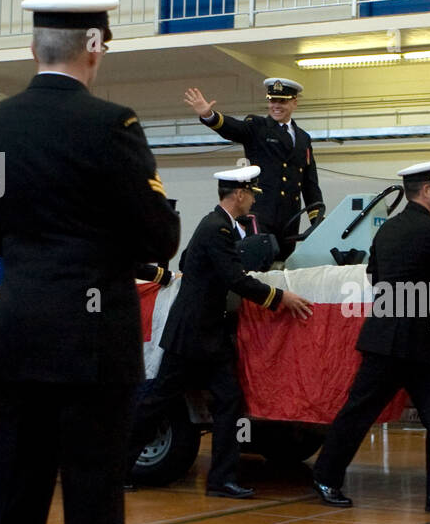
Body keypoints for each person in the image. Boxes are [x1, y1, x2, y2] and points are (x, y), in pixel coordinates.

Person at [0, 0, 182, 524]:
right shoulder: (112, 123)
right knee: (92, 504)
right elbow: (157, 235)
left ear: (36, 49)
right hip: (93, 340)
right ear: (96, 46)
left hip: (22, 329)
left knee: (12, 500)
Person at [125, 166, 312, 497]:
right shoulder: (217, 229)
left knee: (228, 401)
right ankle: (116, 467)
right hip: (192, 335)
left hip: (209, 336)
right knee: (157, 402)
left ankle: (221, 479)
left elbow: (187, 261)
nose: (253, 200)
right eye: (251, 193)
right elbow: (234, 278)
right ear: (239, 195)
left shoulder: (223, 227)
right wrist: (281, 297)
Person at [312, 160, 430, 515]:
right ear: (427, 190)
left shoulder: (386, 229)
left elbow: (375, 275)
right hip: (414, 338)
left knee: (362, 410)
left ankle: (328, 476)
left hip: (388, 334)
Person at [184, 78, 323, 260]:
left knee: (282, 265)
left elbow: (309, 183)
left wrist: (317, 221)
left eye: (282, 101)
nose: (276, 106)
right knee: (259, 263)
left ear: (294, 102)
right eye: (272, 100)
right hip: (262, 214)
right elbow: (234, 128)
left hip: (289, 218)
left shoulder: (303, 138)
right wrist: (209, 115)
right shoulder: (258, 126)